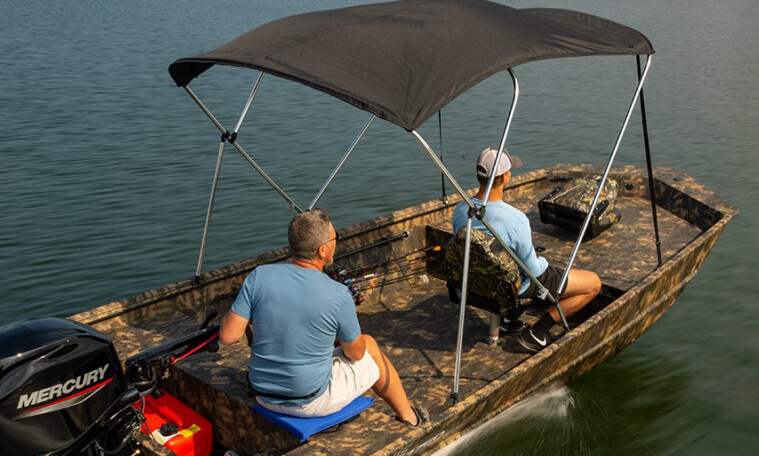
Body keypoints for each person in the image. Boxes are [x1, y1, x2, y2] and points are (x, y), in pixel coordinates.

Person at [218, 209, 427, 427]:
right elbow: (355, 354)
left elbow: (228, 336)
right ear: (322, 250)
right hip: (309, 402)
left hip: (263, 394)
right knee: (370, 346)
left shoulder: (258, 275)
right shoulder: (338, 294)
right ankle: (410, 418)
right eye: (335, 238)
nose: (336, 243)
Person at [452, 147, 602, 352]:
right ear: (505, 176)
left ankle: (506, 319)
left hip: (476, 282)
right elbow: (536, 272)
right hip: (512, 288)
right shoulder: (516, 219)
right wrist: (542, 260)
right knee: (593, 283)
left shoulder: (460, 210)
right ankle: (538, 332)